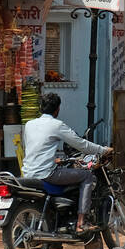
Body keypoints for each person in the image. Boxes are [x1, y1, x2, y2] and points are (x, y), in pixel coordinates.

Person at [20, 92, 112, 234]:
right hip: (47, 174)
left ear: (40, 107)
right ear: (57, 109)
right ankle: (81, 223)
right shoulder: (56, 125)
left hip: (28, 173)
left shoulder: (29, 125)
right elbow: (81, 144)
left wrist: (53, 159)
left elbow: (33, 147)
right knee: (87, 176)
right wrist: (103, 150)